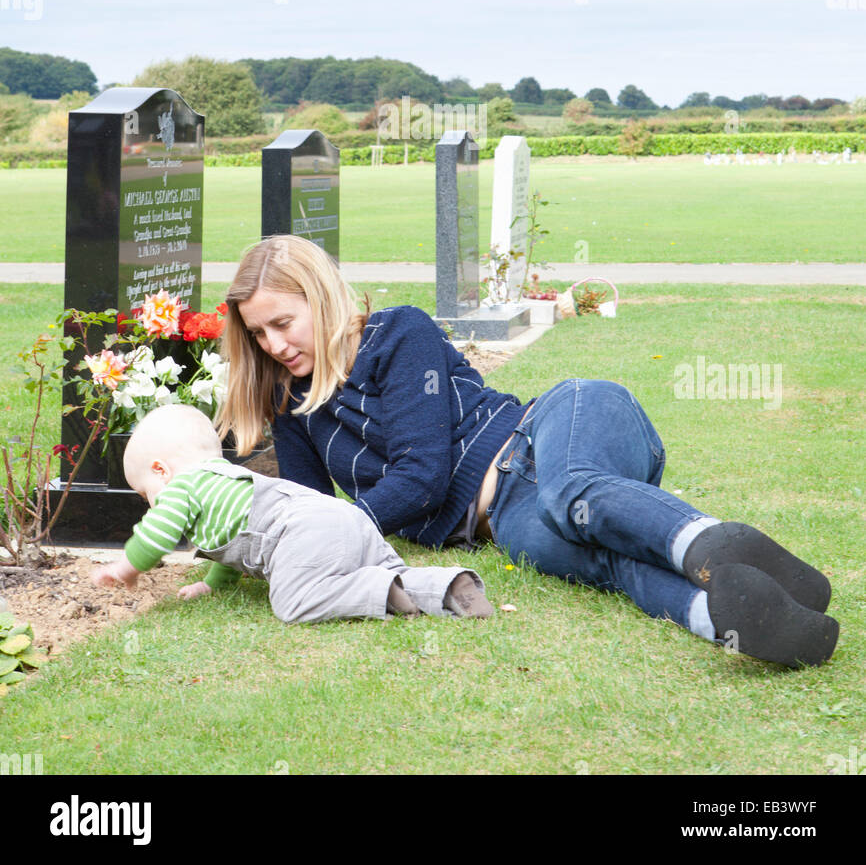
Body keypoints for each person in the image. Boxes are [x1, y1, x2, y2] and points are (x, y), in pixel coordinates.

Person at [217, 236, 839, 669]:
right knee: (600, 563)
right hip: (504, 518)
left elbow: (423, 475)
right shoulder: (291, 404)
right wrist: (234, 566)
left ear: (320, 297)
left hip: (552, 427)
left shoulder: (396, 333)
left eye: (283, 322)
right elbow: (301, 509)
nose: (273, 344)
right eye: (259, 333)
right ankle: (737, 619)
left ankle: (711, 540)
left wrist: (340, 526)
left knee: (574, 493)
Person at [91, 403, 494, 623]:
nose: (151, 504)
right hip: (344, 518)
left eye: (146, 494)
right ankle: (446, 585)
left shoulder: (182, 486)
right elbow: (233, 548)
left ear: (162, 470)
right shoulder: (225, 480)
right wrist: (212, 585)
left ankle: (375, 591)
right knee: (392, 570)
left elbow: (156, 534)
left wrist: (128, 566)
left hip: (303, 532)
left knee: (293, 601)